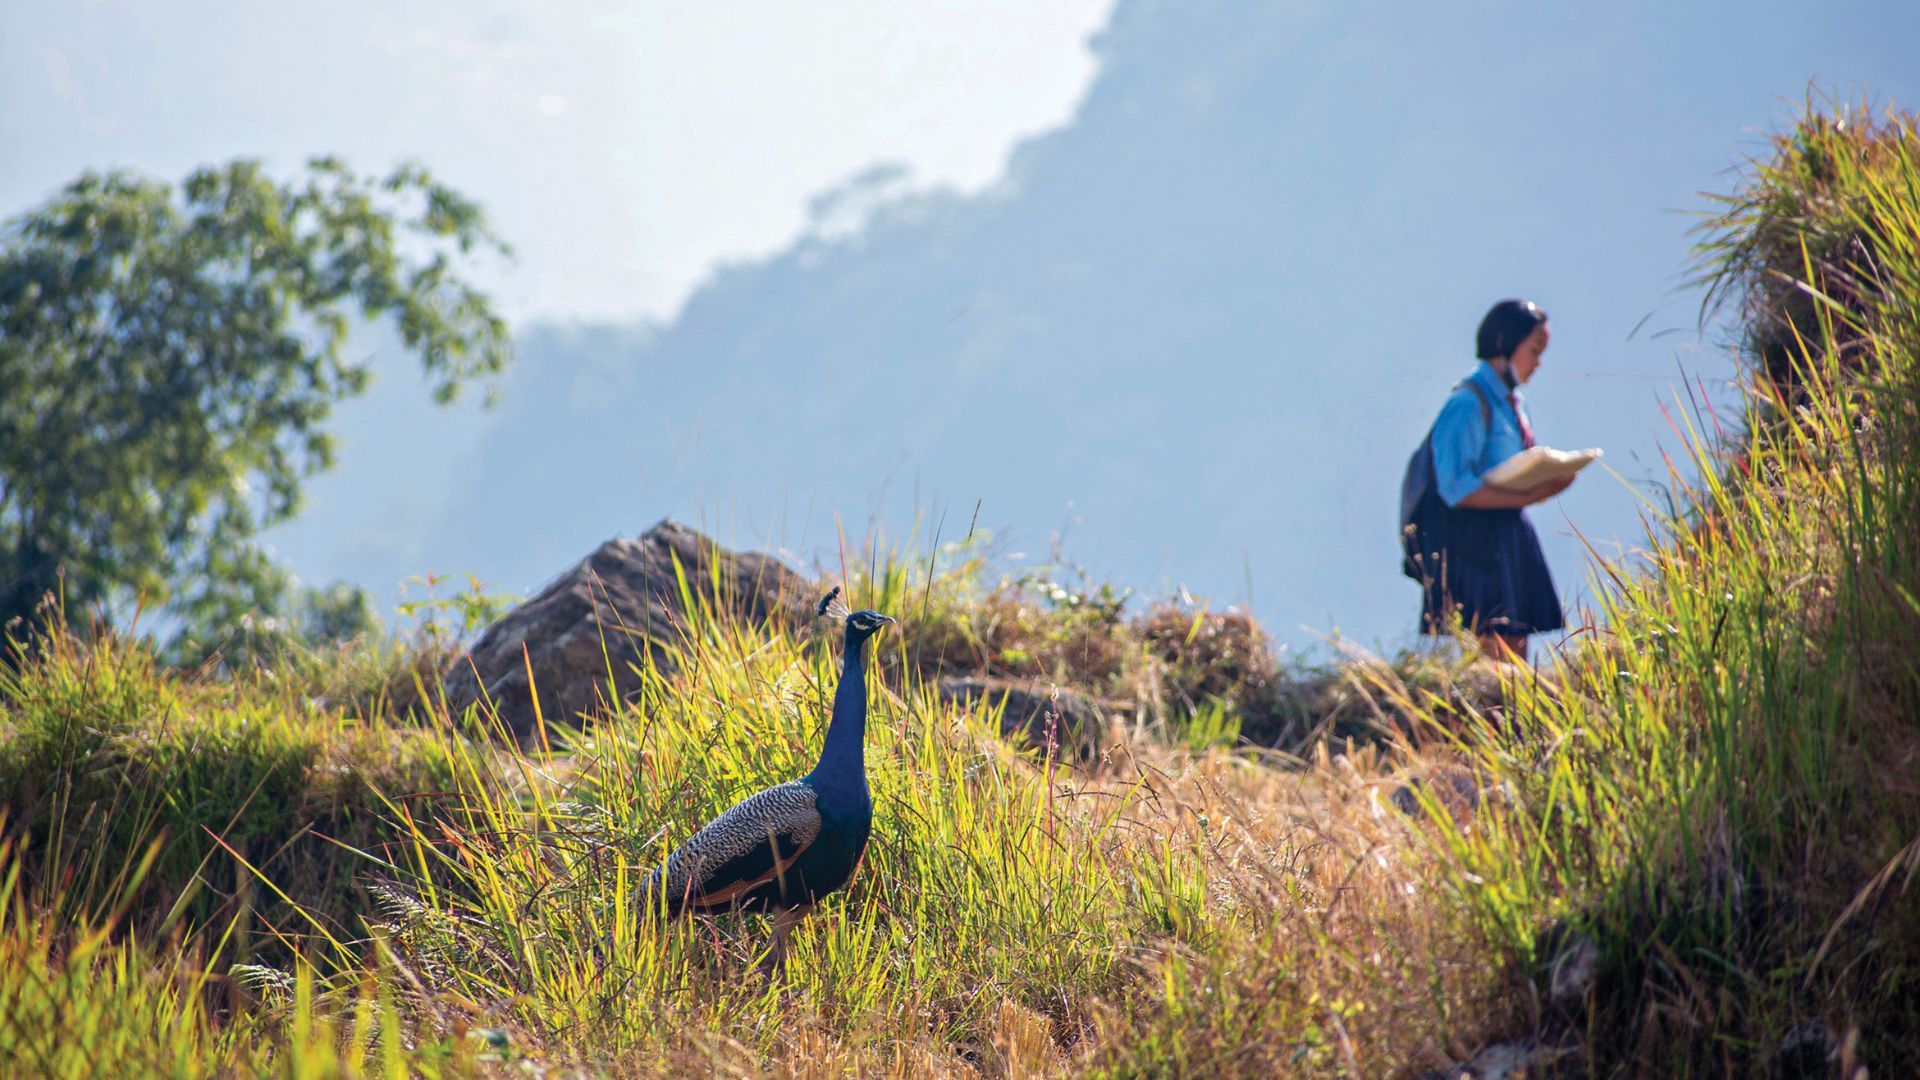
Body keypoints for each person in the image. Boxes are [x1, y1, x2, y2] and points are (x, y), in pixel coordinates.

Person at [1401, 299, 1570, 662]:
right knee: (1491, 655)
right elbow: (1455, 487)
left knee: (1517, 648)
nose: (1538, 362)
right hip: (1475, 543)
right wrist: (1534, 493)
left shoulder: (1512, 404)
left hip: (1507, 533)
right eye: (1534, 350)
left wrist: (1543, 485)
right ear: (1502, 344)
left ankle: (1516, 717)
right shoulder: (1467, 403)